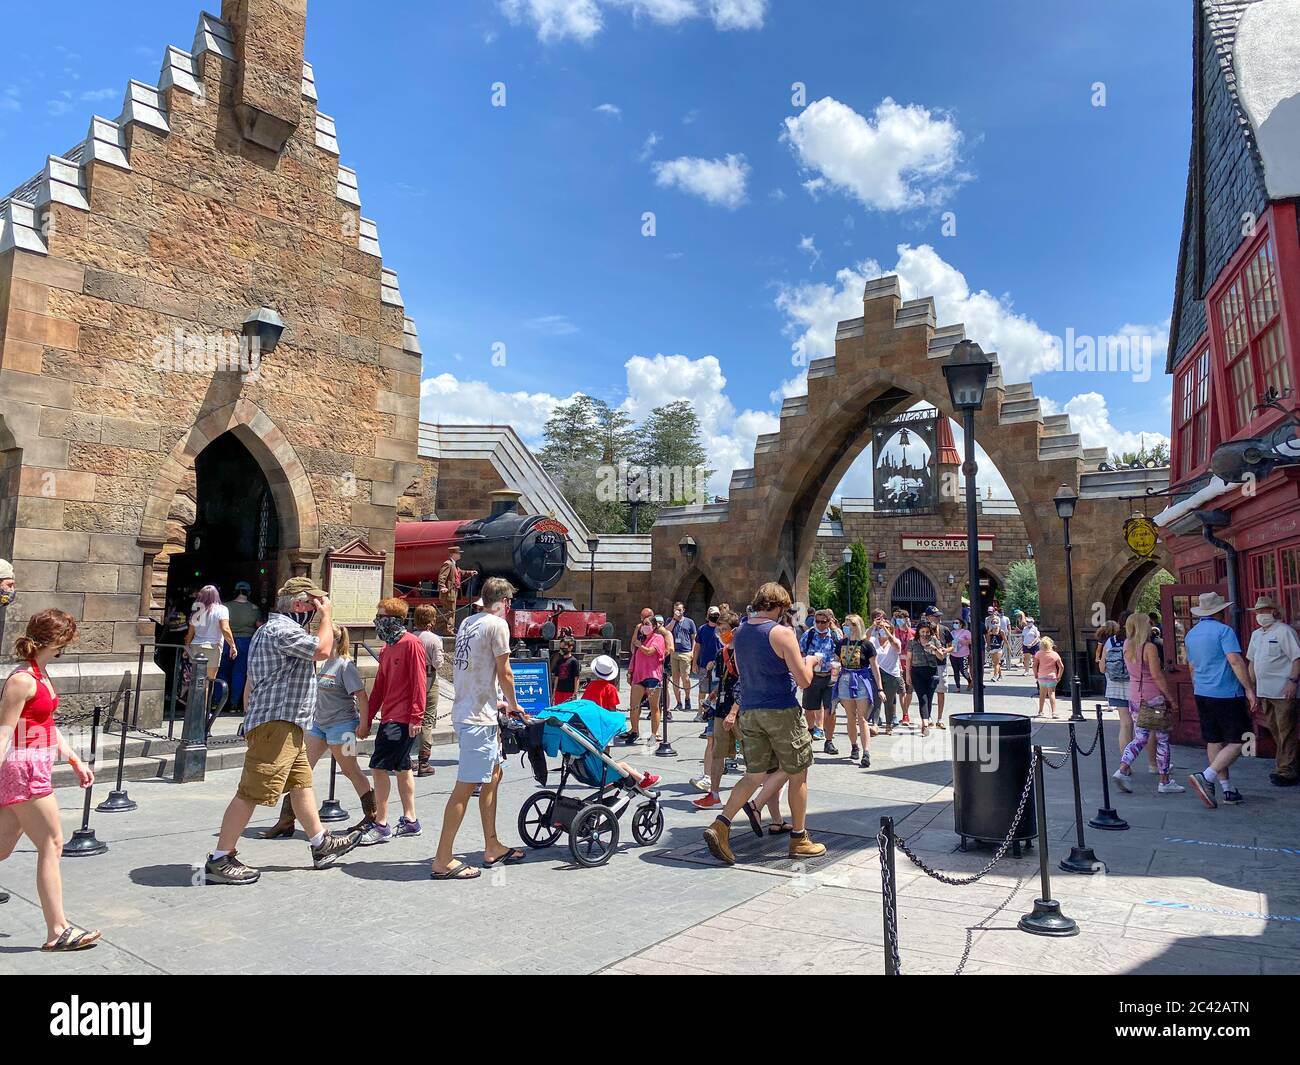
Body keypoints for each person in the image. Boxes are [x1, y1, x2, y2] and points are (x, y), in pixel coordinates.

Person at [204, 577, 362, 885]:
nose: (317, 609)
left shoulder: (273, 629)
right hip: (277, 722)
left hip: (288, 722)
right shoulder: (282, 630)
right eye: (314, 604)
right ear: (300, 605)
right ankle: (220, 857)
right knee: (252, 790)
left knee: (301, 784)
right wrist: (327, 616)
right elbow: (323, 650)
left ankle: (320, 843)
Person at [0, 609, 102, 950]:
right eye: (67, 640)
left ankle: (58, 930)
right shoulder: (22, 680)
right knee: (53, 843)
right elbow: (4, 731)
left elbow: (44, 726)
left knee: (1, 848)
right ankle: (58, 931)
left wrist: (74, 759)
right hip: (24, 769)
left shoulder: (41, 673)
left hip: (33, 765)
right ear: (58, 640)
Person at [703, 582, 826, 865]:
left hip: (750, 711)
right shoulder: (782, 633)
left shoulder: (741, 632)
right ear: (780, 606)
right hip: (781, 710)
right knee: (798, 773)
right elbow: (805, 681)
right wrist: (811, 660)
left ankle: (721, 825)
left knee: (754, 774)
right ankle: (799, 838)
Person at [430, 577, 526, 880]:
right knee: (466, 786)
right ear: (504, 603)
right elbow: (505, 670)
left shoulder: (469, 622)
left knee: (494, 776)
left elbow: (473, 666)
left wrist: (495, 699)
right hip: (476, 718)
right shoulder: (498, 625)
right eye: (509, 602)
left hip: (470, 708)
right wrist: (513, 703)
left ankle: (492, 844)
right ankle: (443, 859)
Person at [261, 623, 377, 838]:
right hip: (319, 725)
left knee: (351, 770)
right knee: (299, 772)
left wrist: (363, 724)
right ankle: (286, 820)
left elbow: (361, 696)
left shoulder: (344, 665)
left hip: (343, 726)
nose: (315, 638)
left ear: (333, 638)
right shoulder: (322, 663)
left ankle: (373, 815)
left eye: (319, 635)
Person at [357, 598, 427, 844]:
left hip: (401, 718)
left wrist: (416, 716)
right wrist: (366, 717)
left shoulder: (412, 644)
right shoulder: (387, 648)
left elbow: (420, 681)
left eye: (381, 615)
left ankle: (382, 823)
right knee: (402, 767)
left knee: (378, 766)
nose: (378, 620)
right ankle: (410, 820)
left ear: (394, 619)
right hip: (392, 716)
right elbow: (380, 686)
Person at [1184, 592, 1258, 808]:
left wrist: (1197, 686)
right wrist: (1249, 689)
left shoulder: (1191, 634)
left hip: (1202, 691)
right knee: (1242, 740)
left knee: (1214, 740)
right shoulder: (1224, 631)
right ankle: (1206, 776)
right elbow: (1235, 660)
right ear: (1219, 611)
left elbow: (1191, 666)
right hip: (1226, 692)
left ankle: (1226, 788)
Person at [1113, 613, 1184, 795]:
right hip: (1153, 696)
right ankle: (1164, 780)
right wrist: (1171, 697)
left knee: (1140, 737)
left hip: (1135, 694)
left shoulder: (1127, 645)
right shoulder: (1149, 647)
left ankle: (1122, 769)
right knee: (1162, 739)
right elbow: (1157, 675)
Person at [1245, 595, 1300, 787]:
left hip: (1283, 690)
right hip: (1265, 691)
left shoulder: (1285, 632)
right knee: (1276, 730)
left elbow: (1296, 658)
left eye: (1264, 611)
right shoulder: (1256, 635)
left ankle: (1286, 770)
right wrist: (1250, 687)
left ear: (1274, 612)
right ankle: (1287, 765)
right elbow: (1252, 662)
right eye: (1258, 611)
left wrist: (1293, 681)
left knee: (1287, 730)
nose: (1261, 615)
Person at [694, 611, 740, 809]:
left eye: (725, 630)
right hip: (721, 707)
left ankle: (764, 794)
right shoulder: (720, 653)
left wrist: (734, 712)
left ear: (734, 631)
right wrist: (713, 694)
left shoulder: (742, 653)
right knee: (718, 752)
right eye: (719, 630)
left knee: (753, 752)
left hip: (739, 710)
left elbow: (744, 683)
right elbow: (725, 680)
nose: (721, 634)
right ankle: (714, 794)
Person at [837, 614, 881, 767]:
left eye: (849, 625)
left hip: (861, 680)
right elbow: (837, 662)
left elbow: (875, 668)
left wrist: (880, 688)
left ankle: (866, 751)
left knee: (862, 718)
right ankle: (854, 745)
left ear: (856, 626)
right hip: (845, 680)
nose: (846, 627)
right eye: (845, 624)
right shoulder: (841, 643)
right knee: (850, 716)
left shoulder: (866, 645)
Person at [799, 609, 841, 751]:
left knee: (831, 710)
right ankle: (810, 731)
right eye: (817, 621)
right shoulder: (809, 634)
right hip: (812, 677)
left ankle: (828, 741)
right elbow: (801, 652)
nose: (820, 625)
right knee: (810, 708)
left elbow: (841, 653)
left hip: (830, 677)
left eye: (823, 622)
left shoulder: (835, 635)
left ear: (829, 622)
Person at [626, 611, 667, 745]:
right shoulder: (641, 639)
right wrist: (630, 671)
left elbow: (650, 652)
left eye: (647, 624)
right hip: (639, 675)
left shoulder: (658, 638)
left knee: (654, 706)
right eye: (643, 624)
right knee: (634, 705)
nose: (644, 627)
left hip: (653, 676)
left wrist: (639, 645)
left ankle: (654, 734)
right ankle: (634, 730)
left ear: (654, 626)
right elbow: (635, 656)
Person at [413, 604, 444, 778]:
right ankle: (423, 762)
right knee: (426, 720)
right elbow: (438, 663)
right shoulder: (433, 640)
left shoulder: (408, 637)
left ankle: (404, 757)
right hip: (428, 678)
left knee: (410, 716)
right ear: (431, 621)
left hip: (410, 680)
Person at [219, 581, 260, 712]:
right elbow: (259, 624)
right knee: (240, 673)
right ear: (248, 592)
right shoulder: (254, 608)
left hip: (227, 640)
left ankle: (217, 703)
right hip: (246, 642)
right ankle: (234, 704)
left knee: (222, 672)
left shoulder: (225, 606)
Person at [185, 584, 235, 683]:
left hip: (195, 647)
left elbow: (190, 633)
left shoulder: (197, 611)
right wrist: (232, 646)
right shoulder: (222, 609)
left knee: (196, 681)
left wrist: (186, 648)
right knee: (207, 681)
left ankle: (193, 699)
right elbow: (225, 628)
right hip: (212, 647)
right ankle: (205, 699)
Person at [905, 620, 946, 737]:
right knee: (922, 697)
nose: (925, 634)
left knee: (929, 697)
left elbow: (941, 657)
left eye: (927, 631)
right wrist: (908, 675)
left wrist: (934, 648)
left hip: (932, 672)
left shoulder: (934, 640)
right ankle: (925, 724)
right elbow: (908, 659)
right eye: (922, 631)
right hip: (917, 672)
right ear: (918, 631)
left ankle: (926, 719)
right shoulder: (912, 642)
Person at [869, 617, 903, 735]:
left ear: (891, 629)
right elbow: (864, 638)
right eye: (880, 628)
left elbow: (896, 646)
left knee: (888, 701)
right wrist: (873, 626)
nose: (882, 629)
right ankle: (874, 724)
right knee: (876, 698)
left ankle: (888, 725)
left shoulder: (895, 641)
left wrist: (886, 629)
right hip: (876, 673)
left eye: (886, 627)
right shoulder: (873, 640)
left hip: (891, 675)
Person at [436, 544, 477, 636]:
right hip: (449, 592)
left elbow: (460, 572)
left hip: (453, 592)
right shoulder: (448, 564)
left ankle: (446, 628)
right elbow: (442, 576)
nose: (460, 555)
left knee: (451, 611)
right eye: (458, 553)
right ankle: (447, 630)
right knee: (450, 611)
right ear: (453, 554)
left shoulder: (454, 565)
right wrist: (442, 586)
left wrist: (470, 573)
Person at [923, 607, 954, 728]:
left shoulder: (944, 629)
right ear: (928, 617)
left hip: (941, 664)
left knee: (941, 691)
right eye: (935, 616)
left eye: (938, 616)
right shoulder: (924, 630)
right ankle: (928, 716)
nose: (937, 618)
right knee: (928, 691)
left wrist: (945, 650)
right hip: (927, 664)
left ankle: (939, 719)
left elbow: (952, 646)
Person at [692, 605, 723, 722]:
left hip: (718, 665)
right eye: (712, 614)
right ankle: (700, 713)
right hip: (704, 664)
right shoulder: (702, 629)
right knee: (702, 690)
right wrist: (694, 662)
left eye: (716, 615)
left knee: (716, 690)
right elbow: (697, 646)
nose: (714, 617)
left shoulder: (721, 629)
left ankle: (714, 713)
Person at [667, 602, 698, 714]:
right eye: (676, 609)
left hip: (686, 652)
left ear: (683, 610)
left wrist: (692, 651)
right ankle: (678, 702)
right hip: (674, 653)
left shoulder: (689, 622)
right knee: (675, 679)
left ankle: (687, 698)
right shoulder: (671, 621)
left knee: (685, 677)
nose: (678, 611)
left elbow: (694, 637)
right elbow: (667, 631)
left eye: (679, 609)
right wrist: (674, 619)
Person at [1033, 636, 1064, 719]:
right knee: (1052, 694)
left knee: (1042, 694)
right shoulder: (1055, 654)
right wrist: (1059, 676)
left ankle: (1040, 711)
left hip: (1042, 676)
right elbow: (1061, 666)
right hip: (1052, 677)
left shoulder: (1038, 653)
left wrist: (1035, 674)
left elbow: (1035, 665)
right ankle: (1054, 712)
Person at [551, 636, 580, 704]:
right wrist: (554, 692)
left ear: (570, 647)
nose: (562, 649)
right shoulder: (559, 661)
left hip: (569, 691)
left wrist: (575, 693)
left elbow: (576, 677)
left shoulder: (574, 661)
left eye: (564, 647)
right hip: (559, 690)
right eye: (561, 647)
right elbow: (557, 677)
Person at [950, 617, 973, 691]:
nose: (955, 624)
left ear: (961, 624)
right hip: (953, 654)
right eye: (954, 623)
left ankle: (970, 681)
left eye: (957, 623)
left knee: (963, 671)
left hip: (963, 654)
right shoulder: (952, 632)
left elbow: (971, 641)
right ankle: (958, 687)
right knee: (955, 671)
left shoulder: (966, 632)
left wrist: (963, 641)